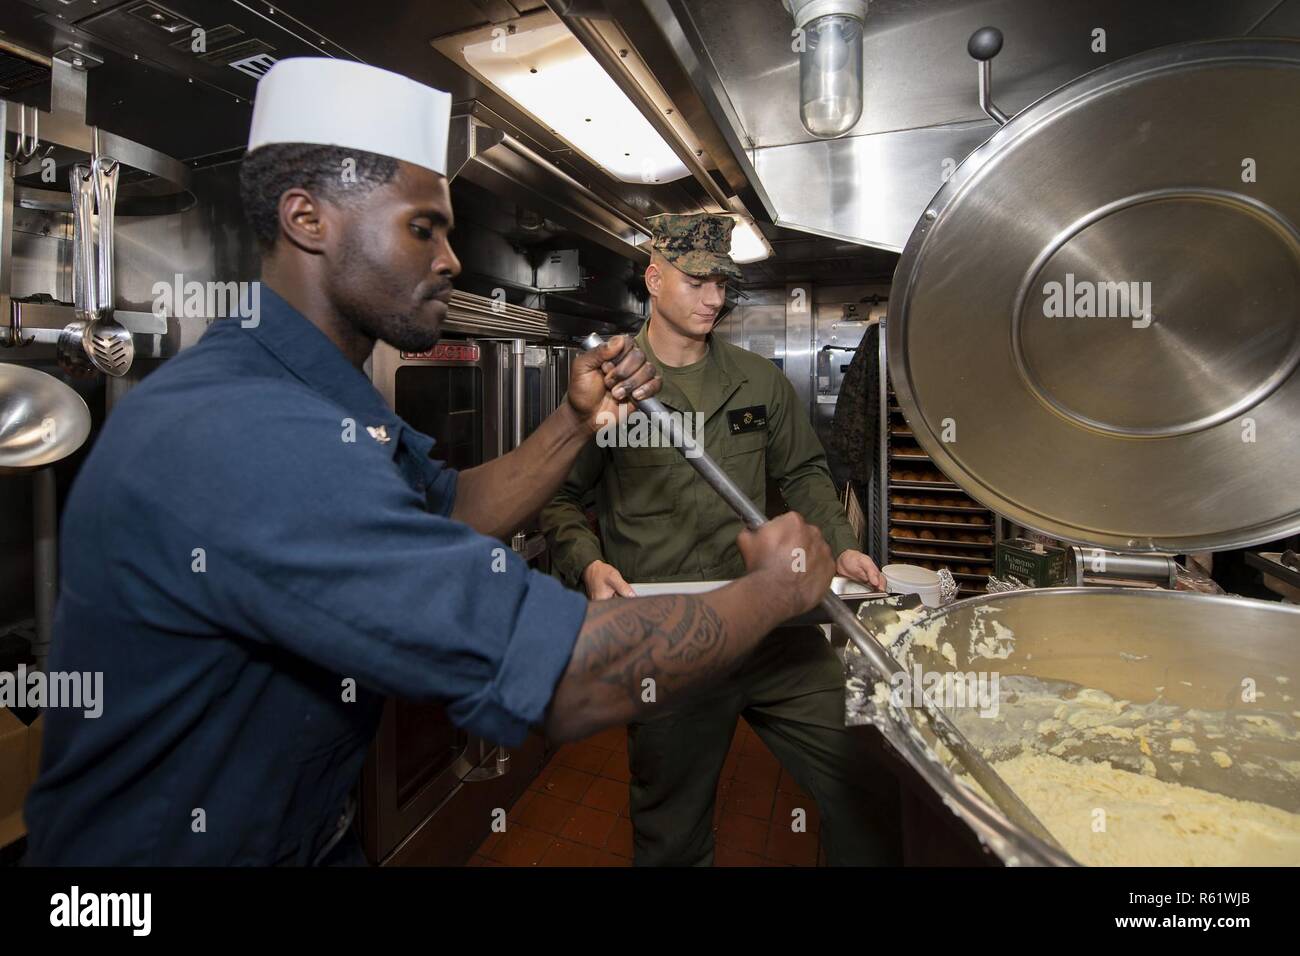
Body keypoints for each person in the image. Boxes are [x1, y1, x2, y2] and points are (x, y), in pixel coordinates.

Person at [23, 59, 836, 865]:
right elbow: (570, 676)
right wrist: (772, 591)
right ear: (309, 219)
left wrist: (573, 422)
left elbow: (447, 509)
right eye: (424, 227)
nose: (450, 259)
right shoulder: (242, 427)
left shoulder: (322, 395)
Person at [540, 213, 902, 866]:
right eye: (699, 280)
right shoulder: (615, 386)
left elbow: (804, 473)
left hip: (774, 632)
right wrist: (587, 564)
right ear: (654, 278)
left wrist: (843, 542)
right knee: (670, 832)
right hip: (669, 644)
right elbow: (562, 499)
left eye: (724, 284)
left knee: (867, 782)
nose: (714, 298)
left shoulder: (757, 380)